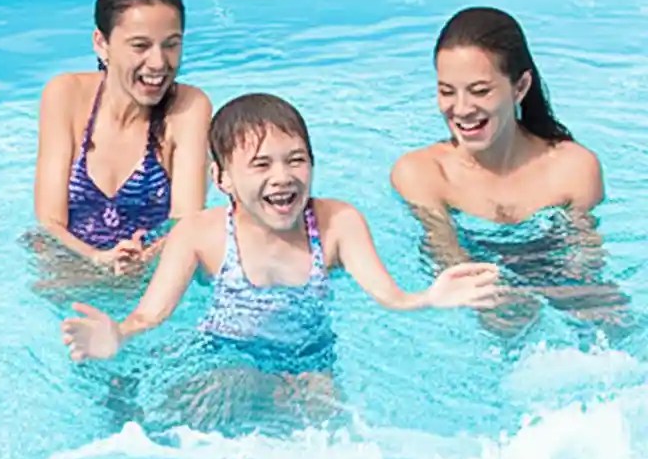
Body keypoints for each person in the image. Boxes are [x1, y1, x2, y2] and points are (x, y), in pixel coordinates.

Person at [60, 93, 502, 377]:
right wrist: (117, 335)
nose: (283, 177)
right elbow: (149, 317)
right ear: (222, 179)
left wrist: (428, 298)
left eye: (296, 160)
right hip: (225, 357)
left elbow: (390, 297)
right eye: (261, 165)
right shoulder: (200, 234)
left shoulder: (336, 224)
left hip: (310, 365)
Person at [389, 7, 627, 338]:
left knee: (617, 324)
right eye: (446, 91)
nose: (461, 108)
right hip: (483, 284)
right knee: (502, 320)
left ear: (520, 86)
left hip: (556, 270)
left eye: (480, 90)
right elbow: (448, 258)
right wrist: (500, 300)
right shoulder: (422, 173)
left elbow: (585, 261)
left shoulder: (574, 168)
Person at [32, 0, 212, 278]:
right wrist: (98, 260)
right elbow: (49, 222)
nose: (159, 62)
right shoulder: (65, 95)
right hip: (72, 270)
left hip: (149, 275)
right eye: (140, 46)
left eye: (171, 44)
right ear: (101, 44)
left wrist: (140, 261)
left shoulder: (188, 109)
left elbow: (186, 223)